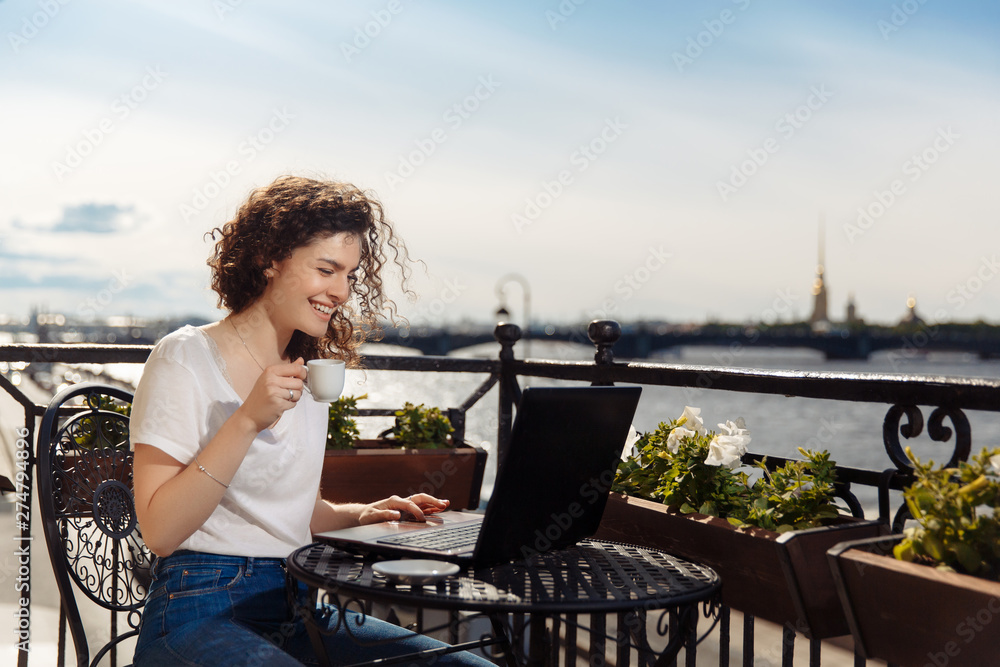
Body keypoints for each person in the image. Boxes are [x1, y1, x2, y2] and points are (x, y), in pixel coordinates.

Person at [130, 176, 491, 666]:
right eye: (327, 269)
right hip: (199, 607)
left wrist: (364, 512)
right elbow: (160, 530)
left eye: (350, 275)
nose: (341, 291)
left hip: (297, 604)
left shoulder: (306, 374)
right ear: (270, 258)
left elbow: (290, 511)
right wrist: (245, 421)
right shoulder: (185, 356)